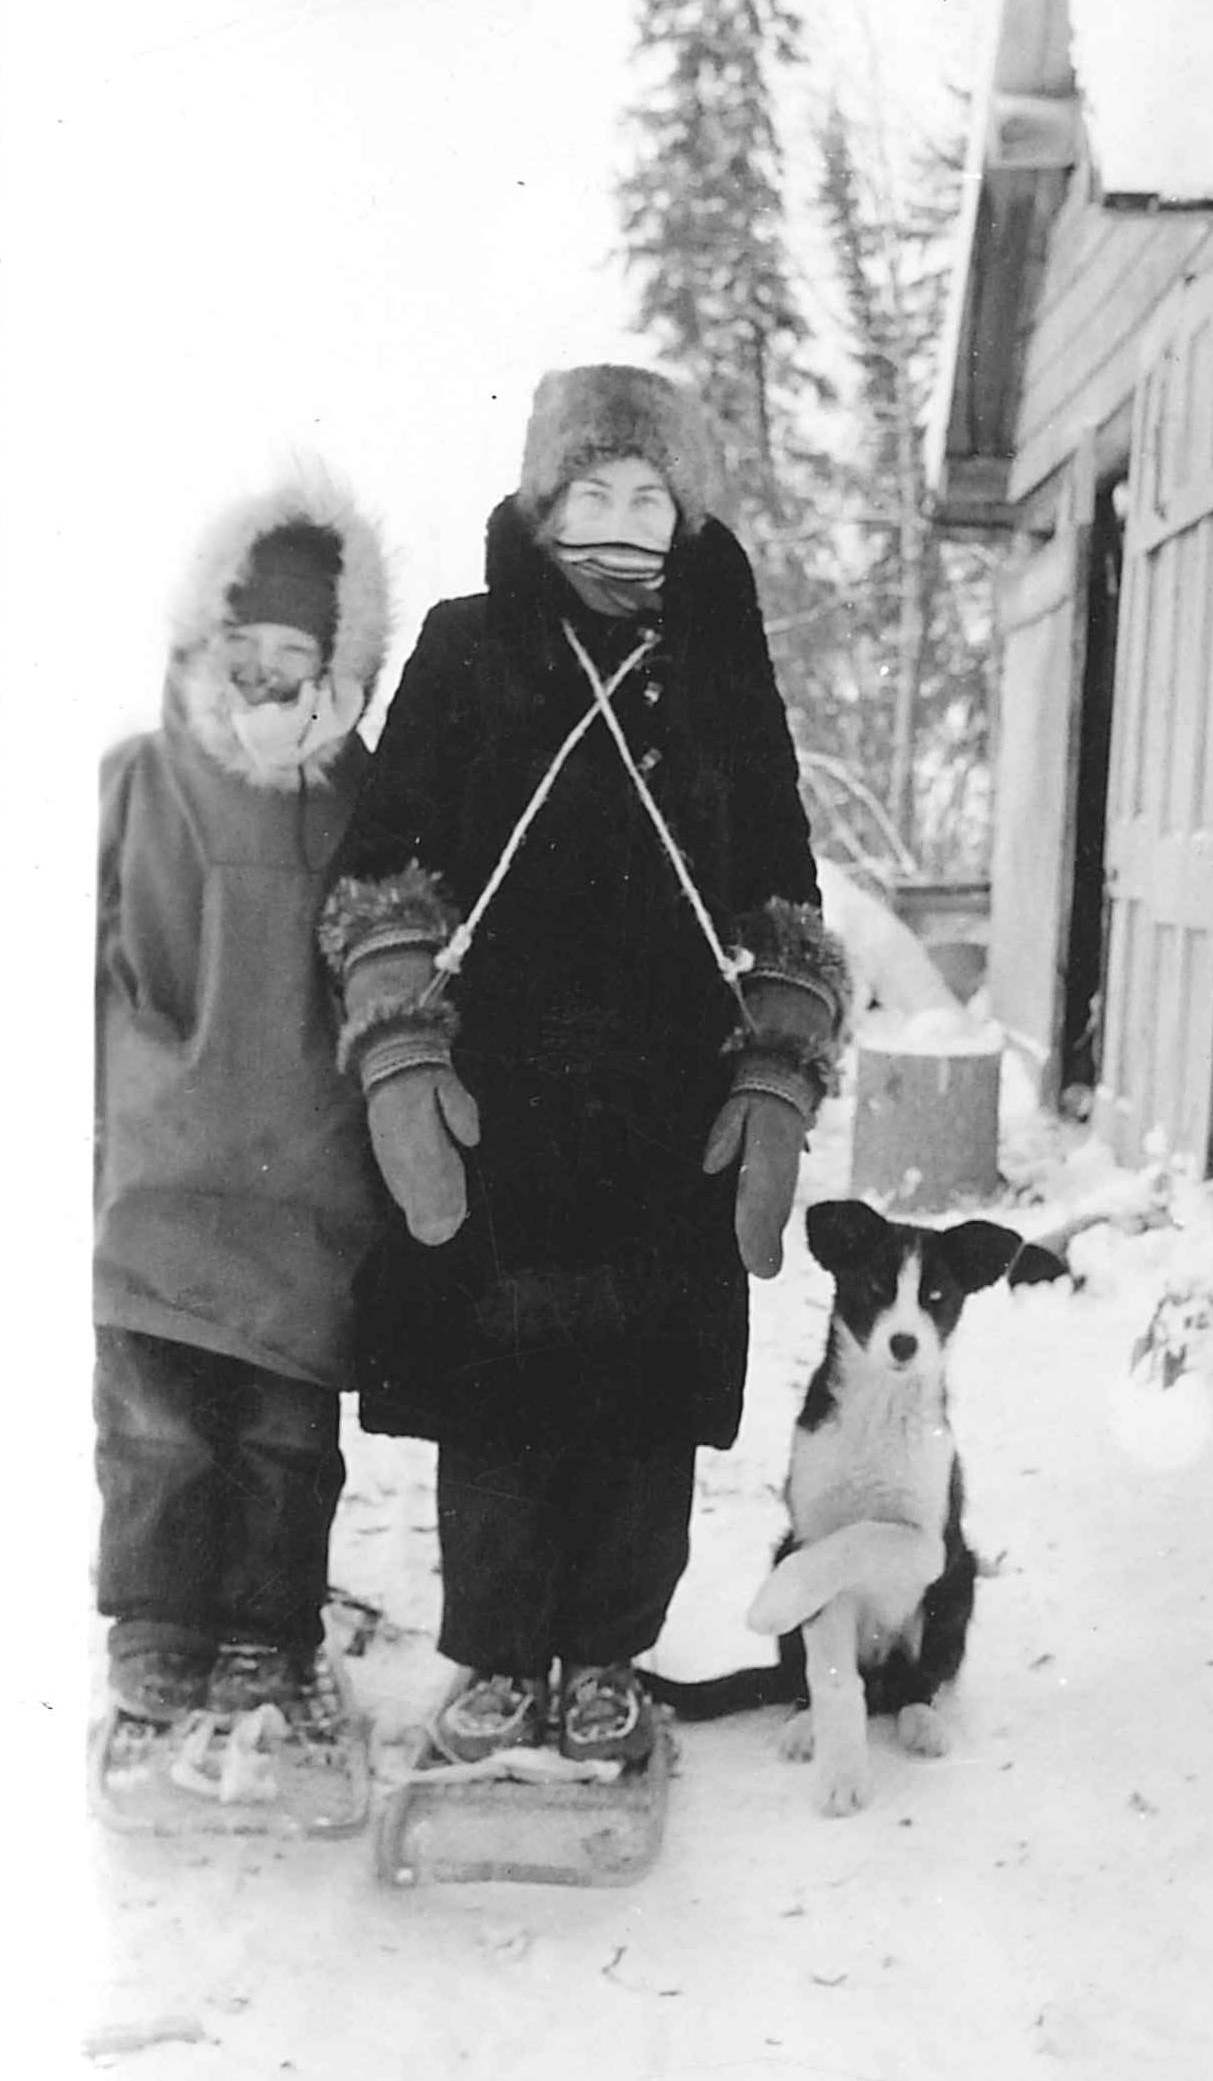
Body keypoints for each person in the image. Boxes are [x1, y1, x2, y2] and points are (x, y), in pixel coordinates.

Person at [320, 364, 850, 1767]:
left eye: (649, 497)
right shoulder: (464, 645)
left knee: (641, 1398)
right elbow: (383, 866)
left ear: (686, 516)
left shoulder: (725, 671)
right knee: (496, 1394)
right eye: (591, 494)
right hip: (499, 1087)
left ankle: (607, 1650)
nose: (620, 523)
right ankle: (497, 1657)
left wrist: (778, 1066)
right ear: (540, 505)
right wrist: (396, 1051)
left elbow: (781, 887)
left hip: (671, 1097)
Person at [94, 469, 391, 1727]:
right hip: (157, 1176)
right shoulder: (137, 781)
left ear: (343, 669)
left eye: (301, 657)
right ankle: (159, 1628)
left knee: (282, 1441)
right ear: (203, 646)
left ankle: (270, 1634)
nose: (272, 680)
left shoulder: (366, 805)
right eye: (249, 651)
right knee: (159, 1434)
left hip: (303, 1184)